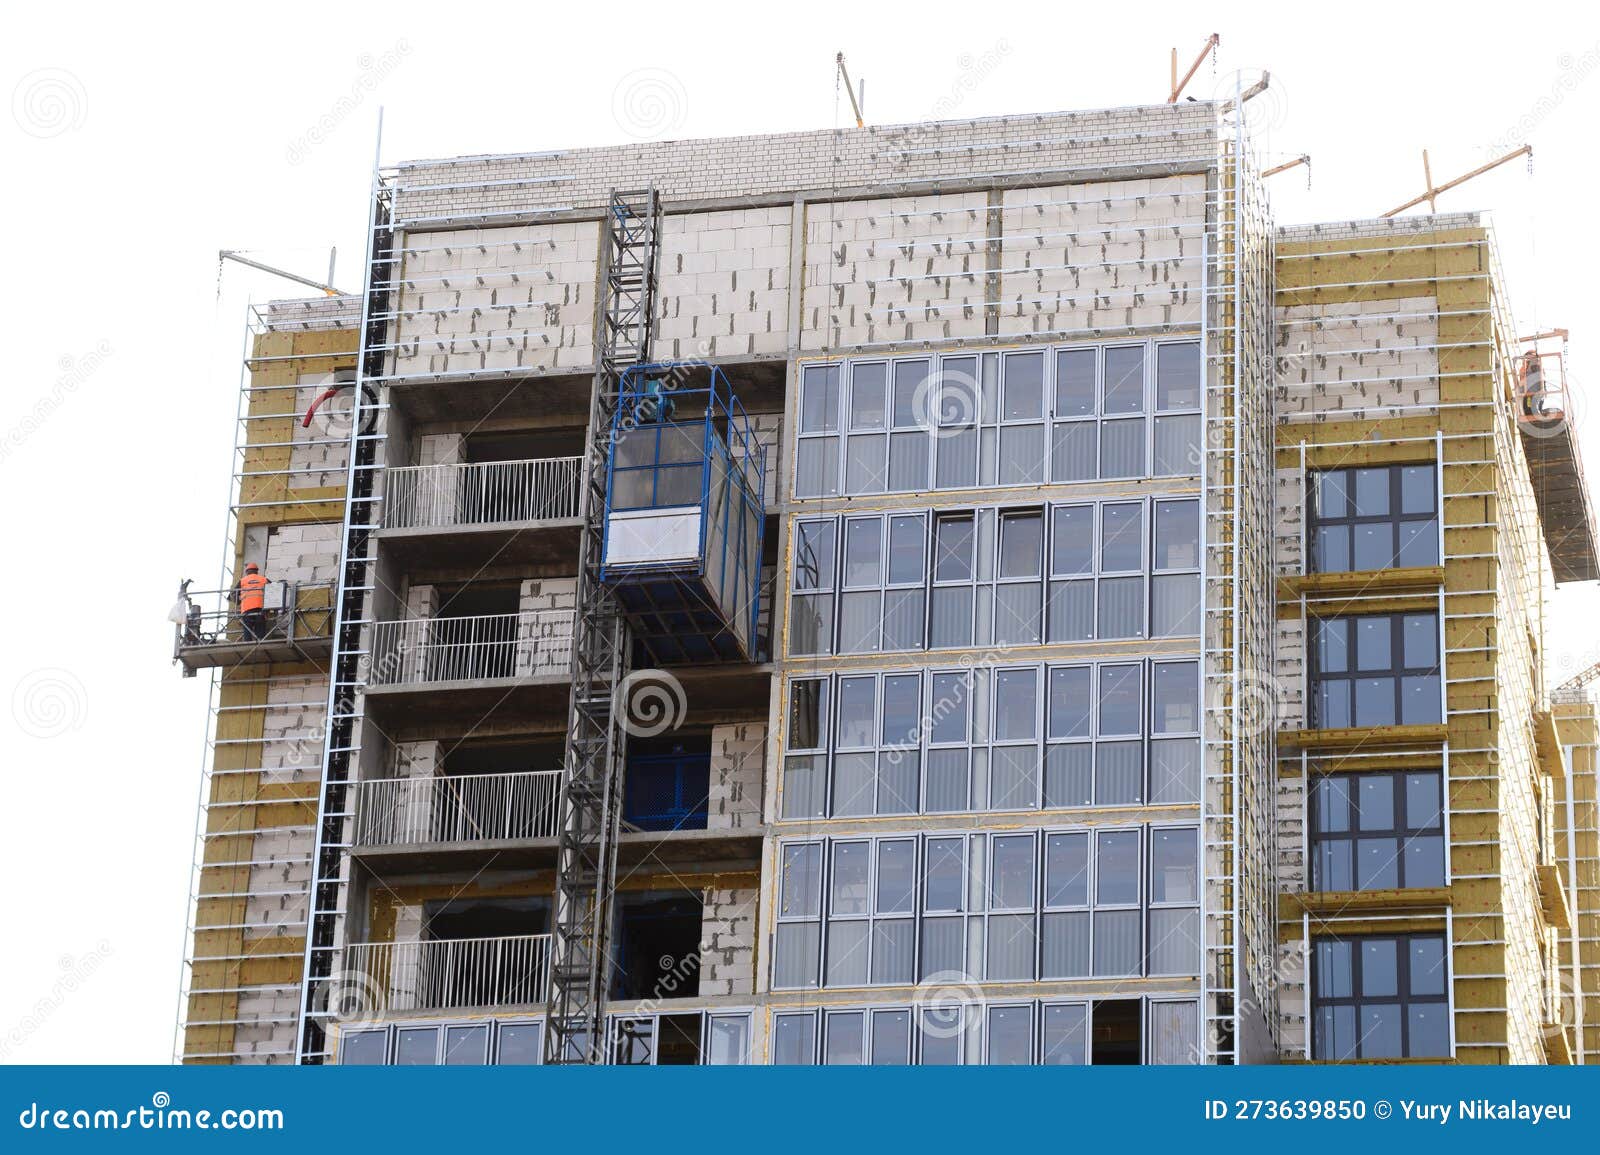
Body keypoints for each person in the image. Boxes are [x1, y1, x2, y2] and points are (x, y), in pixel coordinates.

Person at [238, 562, 269, 640]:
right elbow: (275, 589)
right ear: (256, 571)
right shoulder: (264, 579)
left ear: (247, 572)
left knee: (247, 630)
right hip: (260, 608)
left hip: (246, 609)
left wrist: (239, 602)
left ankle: (247, 644)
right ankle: (260, 643)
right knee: (260, 630)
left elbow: (232, 594)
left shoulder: (242, 580)